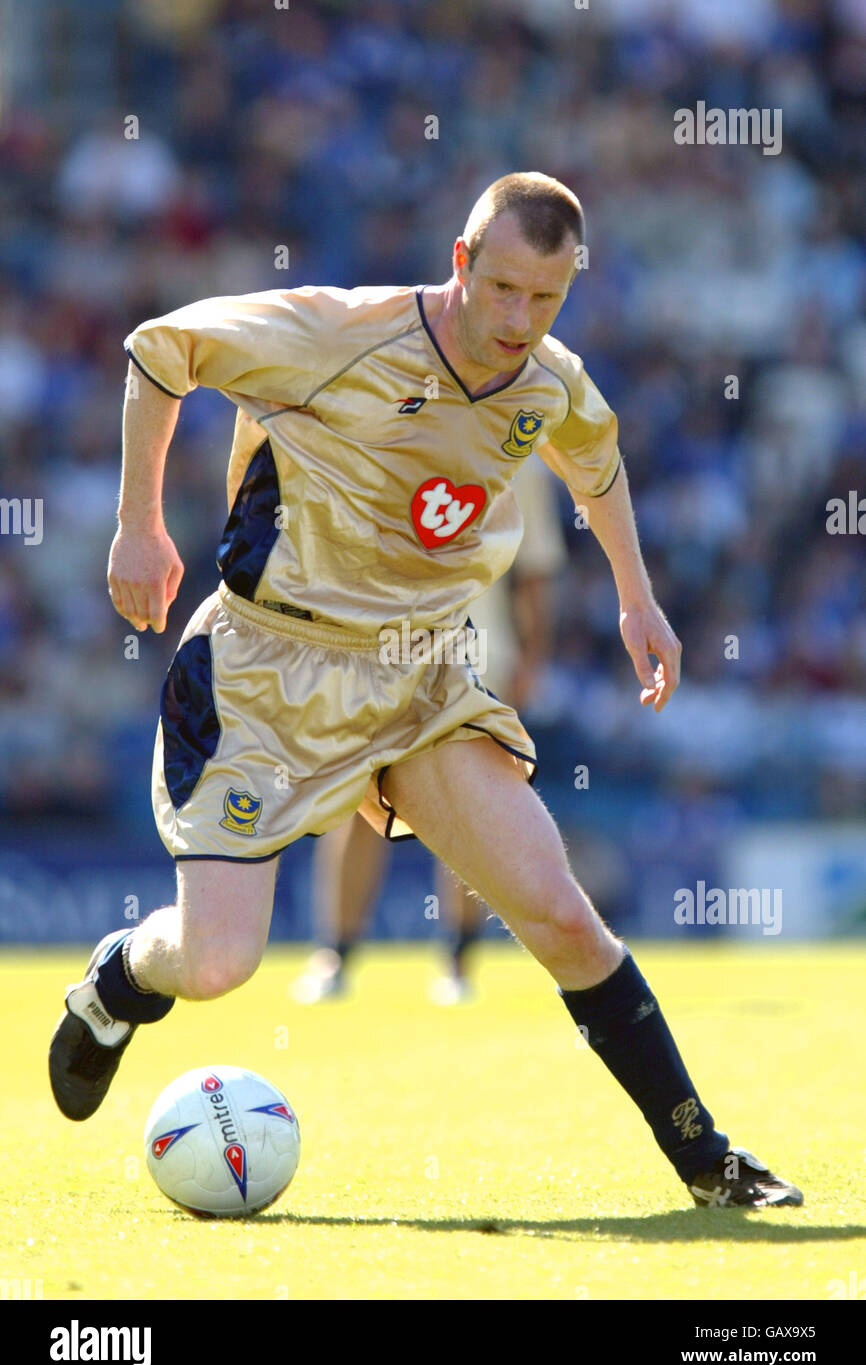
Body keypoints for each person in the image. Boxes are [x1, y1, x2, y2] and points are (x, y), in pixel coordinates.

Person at [49, 172, 801, 1209]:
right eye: (499, 290)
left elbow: (598, 460)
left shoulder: (547, 382)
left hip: (419, 678)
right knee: (219, 961)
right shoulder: (335, 331)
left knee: (562, 917)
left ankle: (706, 1161)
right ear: (460, 261)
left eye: (543, 300)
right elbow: (156, 349)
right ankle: (119, 981)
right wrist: (139, 520)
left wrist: (636, 597)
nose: (516, 320)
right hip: (267, 670)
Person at [293, 453, 567, 1005]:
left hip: (476, 654)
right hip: (380, 650)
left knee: (466, 811)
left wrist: (532, 658)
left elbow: (534, 569)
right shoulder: (389, 428)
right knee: (357, 803)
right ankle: (337, 953)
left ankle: (457, 958)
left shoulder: (518, 458)